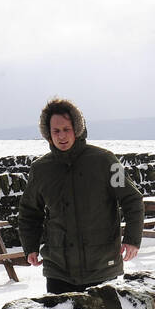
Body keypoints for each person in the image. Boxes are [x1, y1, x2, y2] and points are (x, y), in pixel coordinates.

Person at [18, 97, 144, 294]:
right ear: (48, 134)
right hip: (58, 270)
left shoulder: (107, 161)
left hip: (102, 267)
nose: (61, 136)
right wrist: (30, 246)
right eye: (56, 131)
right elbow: (29, 212)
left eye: (66, 129)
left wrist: (132, 239)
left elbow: (132, 199)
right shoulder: (40, 169)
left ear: (76, 128)